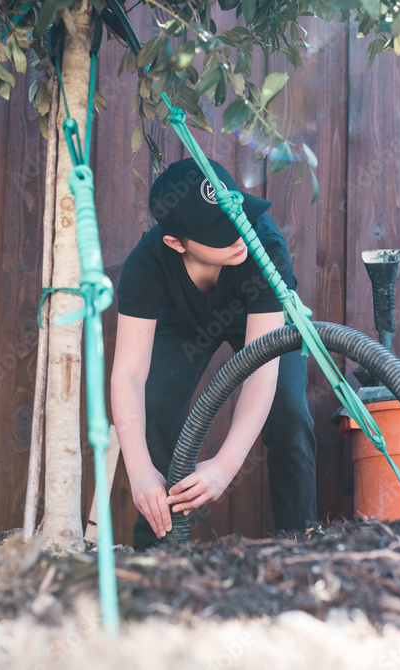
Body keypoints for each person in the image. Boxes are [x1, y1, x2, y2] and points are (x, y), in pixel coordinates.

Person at [111, 157, 318, 550]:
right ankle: (159, 555)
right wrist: (138, 470)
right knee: (155, 406)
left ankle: (301, 544)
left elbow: (262, 372)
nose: (238, 233)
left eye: (237, 216)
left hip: (260, 316)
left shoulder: (260, 246)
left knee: (289, 410)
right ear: (176, 243)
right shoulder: (148, 263)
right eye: (219, 232)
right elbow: (128, 375)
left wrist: (224, 467)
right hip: (181, 318)